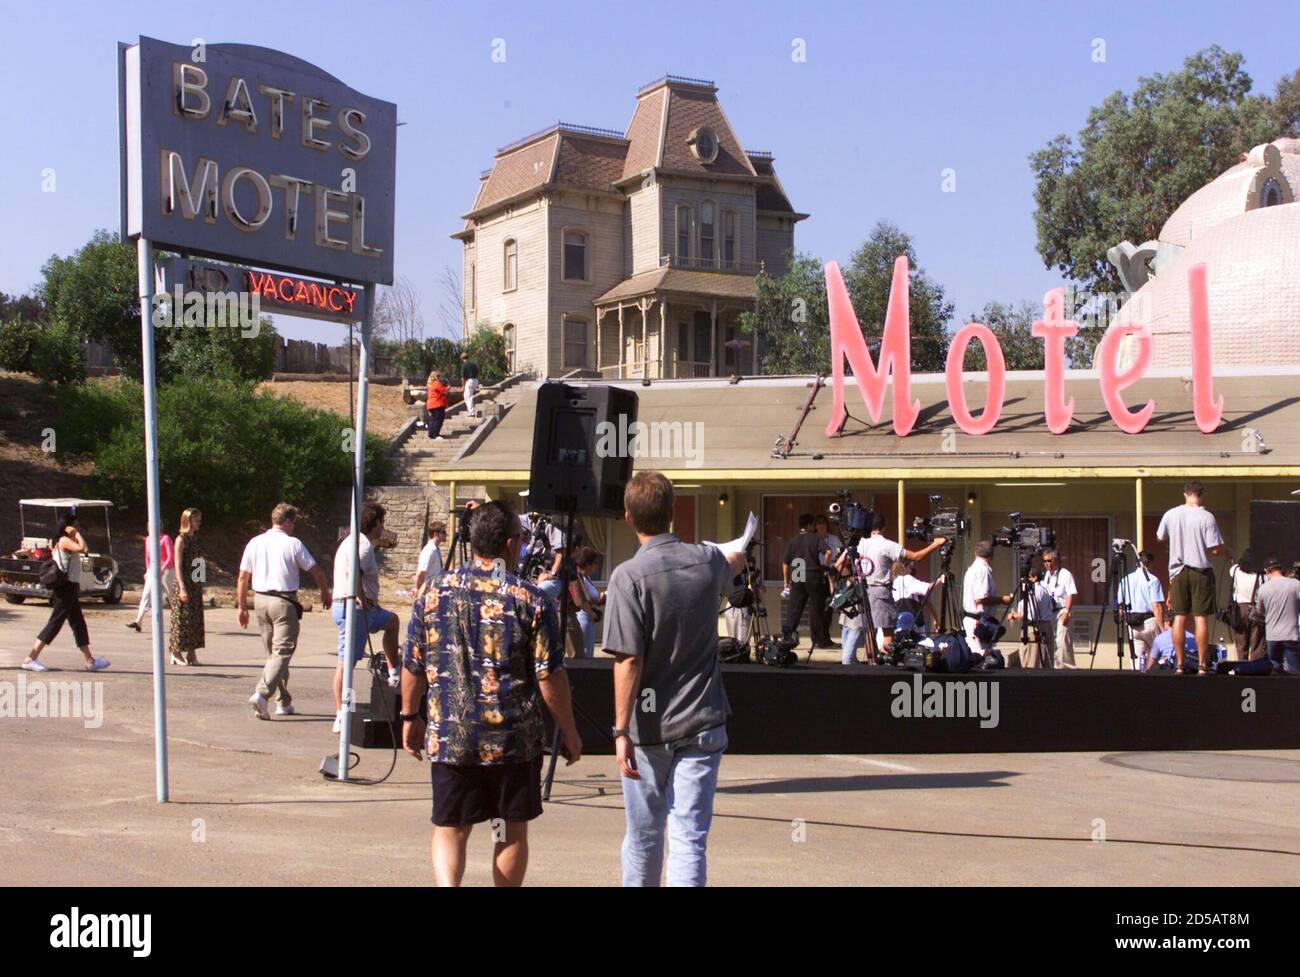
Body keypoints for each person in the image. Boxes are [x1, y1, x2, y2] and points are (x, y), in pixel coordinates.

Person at [400, 498, 581, 887]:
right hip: (512, 742)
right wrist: (568, 730)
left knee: (452, 825)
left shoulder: (433, 592)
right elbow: (549, 675)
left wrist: (409, 717)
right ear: (512, 544)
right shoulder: (530, 599)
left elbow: (412, 664)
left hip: (453, 737)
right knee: (506, 827)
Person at [603, 471, 748, 887]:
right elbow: (731, 562)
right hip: (703, 720)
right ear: (672, 513)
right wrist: (739, 549)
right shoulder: (705, 561)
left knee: (644, 836)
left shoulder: (627, 578)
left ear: (628, 518)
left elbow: (628, 661)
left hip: (649, 727)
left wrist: (619, 730)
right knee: (689, 839)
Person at [237, 503, 331, 719]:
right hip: (284, 602)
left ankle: (283, 701)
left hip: (260, 601)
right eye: (294, 522)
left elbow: (243, 577)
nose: (294, 526)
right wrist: (325, 591)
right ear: (287, 521)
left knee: (274, 656)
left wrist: (242, 606)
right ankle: (261, 694)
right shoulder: (292, 544)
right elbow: (315, 570)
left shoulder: (255, 542)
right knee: (282, 653)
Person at [332, 502, 403, 733]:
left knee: (392, 621)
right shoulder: (361, 546)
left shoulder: (353, 542)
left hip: (364, 608)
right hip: (355, 609)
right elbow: (354, 573)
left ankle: (394, 672)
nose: (384, 528)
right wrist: (360, 598)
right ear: (376, 524)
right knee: (346, 663)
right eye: (383, 523)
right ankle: (341, 714)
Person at [1156, 479, 1231, 673]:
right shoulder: (1206, 517)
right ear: (1201, 495)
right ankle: (1202, 664)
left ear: (1185, 494)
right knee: (1200, 618)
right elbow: (1214, 549)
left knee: (1179, 617)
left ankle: (1180, 663)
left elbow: (1160, 536)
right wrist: (1227, 551)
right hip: (1200, 571)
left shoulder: (1171, 514)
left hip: (1178, 571)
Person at [846, 512, 947, 654]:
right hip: (881, 592)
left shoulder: (859, 543)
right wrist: (935, 544)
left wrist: (854, 580)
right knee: (888, 632)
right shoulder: (886, 545)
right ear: (883, 527)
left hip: (863, 591)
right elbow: (916, 556)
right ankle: (885, 664)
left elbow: (841, 566)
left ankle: (872, 663)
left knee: (870, 631)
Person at [22, 514, 110, 673]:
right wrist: (75, 534)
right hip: (65, 588)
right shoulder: (64, 540)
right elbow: (83, 548)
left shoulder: (67, 541)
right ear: (68, 526)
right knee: (55, 623)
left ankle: (90, 661)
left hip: (70, 588)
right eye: (75, 524)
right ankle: (30, 658)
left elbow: (85, 550)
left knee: (78, 623)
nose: (78, 527)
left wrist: (76, 534)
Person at [781, 514, 832, 651]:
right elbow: (828, 551)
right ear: (810, 525)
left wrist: (786, 582)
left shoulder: (793, 541)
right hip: (812, 573)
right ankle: (818, 640)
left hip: (798, 572)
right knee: (816, 608)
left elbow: (785, 564)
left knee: (794, 608)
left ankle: (787, 636)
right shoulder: (815, 538)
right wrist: (825, 567)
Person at [169, 508, 206, 666]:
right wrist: (182, 586)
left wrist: (201, 582)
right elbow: (177, 565)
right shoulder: (180, 539)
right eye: (196, 519)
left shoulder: (195, 539)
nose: (199, 522)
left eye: (199, 519)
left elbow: (199, 562)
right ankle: (176, 651)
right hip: (184, 582)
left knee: (195, 618)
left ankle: (192, 652)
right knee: (181, 618)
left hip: (195, 583)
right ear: (188, 521)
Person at [1117, 550, 1166, 671]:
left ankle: (1137, 683)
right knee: (1160, 656)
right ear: (1150, 563)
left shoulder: (1125, 580)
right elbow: (1156, 606)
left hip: (1132, 624)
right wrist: (1163, 628)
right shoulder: (1152, 580)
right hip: (1149, 621)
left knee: (1137, 661)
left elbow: (1120, 607)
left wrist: (1126, 620)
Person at [962, 540, 1012, 656]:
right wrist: (1002, 600)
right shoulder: (982, 570)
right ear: (991, 555)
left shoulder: (972, 569)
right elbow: (980, 599)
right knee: (980, 657)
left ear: (976, 553)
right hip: (978, 622)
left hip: (975, 620)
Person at [1254, 558, 1300, 674]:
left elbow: (1260, 611)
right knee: (1295, 670)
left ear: (1266, 571)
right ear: (1281, 569)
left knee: (1274, 669)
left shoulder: (1263, 589)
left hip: (1272, 635)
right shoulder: (1295, 584)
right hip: (1291, 634)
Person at [1008, 565, 1057, 668]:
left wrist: (1013, 615)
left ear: (1034, 577)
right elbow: (1050, 607)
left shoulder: (1034, 592)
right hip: (1046, 627)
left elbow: (1028, 615)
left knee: (1031, 662)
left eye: (1028, 577)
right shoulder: (1045, 590)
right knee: (1046, 663)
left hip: (1034, 628)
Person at [128, 530, 174, 632]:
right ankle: (138, 621)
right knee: (146, 594)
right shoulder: (148, 539)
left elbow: (170, 556)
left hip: (166, 570)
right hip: (152, 570)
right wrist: (147, 570)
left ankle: (177, 622)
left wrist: (163, 568)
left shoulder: (165, 538)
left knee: (171, 596)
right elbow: (147, 557)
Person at [1040, 549, 1079, 668]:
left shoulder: (1065, 574)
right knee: (1051, 643)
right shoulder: (1046, 575)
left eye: (1049, 560)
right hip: (1049, 612)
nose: (1047, 563)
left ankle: (1065, 669)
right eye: (1044, 561)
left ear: (1056, 560)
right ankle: (1053, 668)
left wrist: (1067, 611)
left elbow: (1070, 594)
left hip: (1062, 610)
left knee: (1062, 643)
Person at [1227, 553, 1265, 661]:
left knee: (1241, 641)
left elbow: (1232, 568)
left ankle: (1241, 666)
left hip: (1239, 608)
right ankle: (1256, 667)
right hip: (1255, 607)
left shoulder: (1235, 570)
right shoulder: (1260, 574)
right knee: (1257, 641)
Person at [569, 545, 603, 659]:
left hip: (589, 620)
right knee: (583, 655)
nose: (596, 566)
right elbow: (579, 599)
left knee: (588, 654)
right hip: (583, 618)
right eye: (595, 563)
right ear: (588, 564)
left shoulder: (586, 578)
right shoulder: (575, 577)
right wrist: (591, 613)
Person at [835, 561, 864, 665]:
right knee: (847, 658)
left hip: (851, 612)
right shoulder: (851, 577)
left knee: (850, 657)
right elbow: (838, 565)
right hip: (851, 613)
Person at [414, 519, 447, 595]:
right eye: (444, 532)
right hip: (428, 592)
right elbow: (420, 573)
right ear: (436, 534)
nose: (446, 534)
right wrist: (418, 591)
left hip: (434, 591)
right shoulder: (429, 550)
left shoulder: (435, 549)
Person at [425, 370, 450, 440]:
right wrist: (448, 386)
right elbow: (444, 390)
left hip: (431, 404)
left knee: (433, 419)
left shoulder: (430, 384)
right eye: (439, 376)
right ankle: (436, 434)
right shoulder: (436, 383)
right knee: (439, 419)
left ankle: (431, 434)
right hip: (437, 404)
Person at [459, 353, 480, 417]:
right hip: (475, 380)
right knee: (466, 396)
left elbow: (463, 377)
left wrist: (463, 386)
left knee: (468, 396)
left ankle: (471, 412)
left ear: (462, 358)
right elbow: (478, 373)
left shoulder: (464, 365)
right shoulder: (473, 364)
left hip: (470, 381)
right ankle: (470, 410)